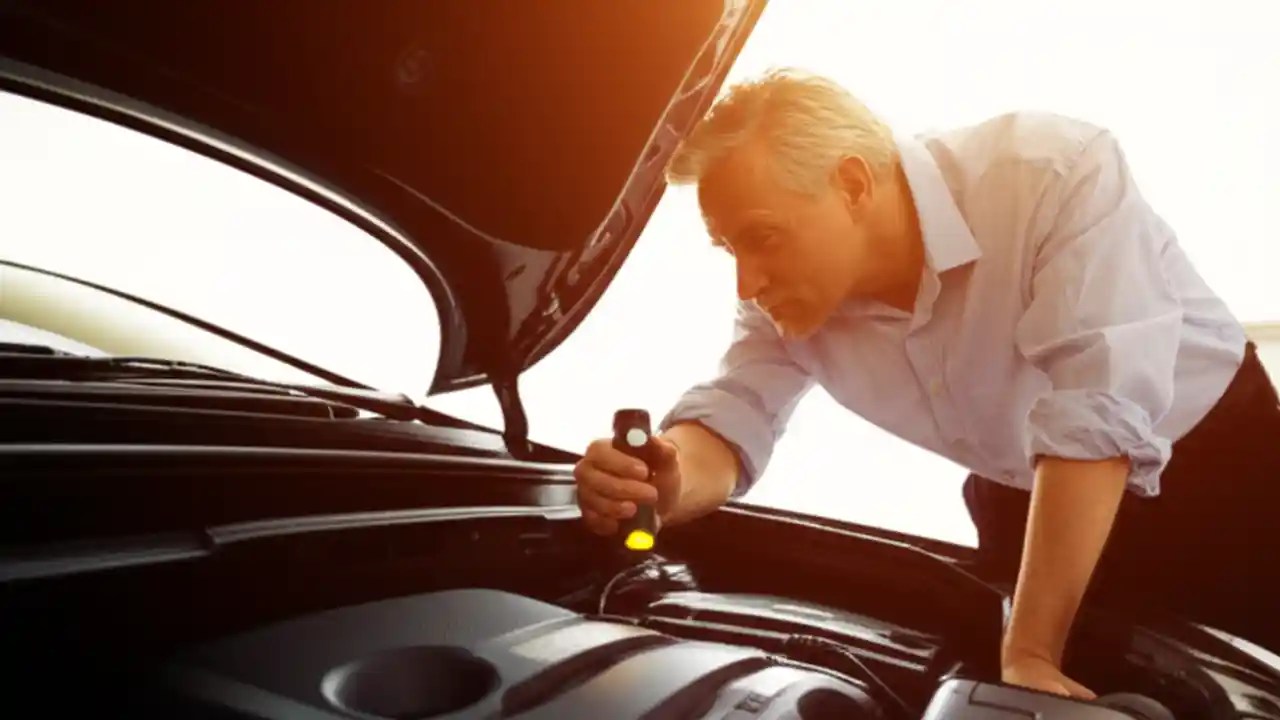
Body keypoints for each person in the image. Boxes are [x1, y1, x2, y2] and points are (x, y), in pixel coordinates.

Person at [572, 68, 1280, 696]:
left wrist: (1030, 644)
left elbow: (1097, 407)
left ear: (852, 184)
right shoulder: (786, 301)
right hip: (1021, 497)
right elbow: (736, 414)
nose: (746, 281)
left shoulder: (1051, 172)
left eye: (761, 237)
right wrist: (665, 487)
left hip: (1218, 476)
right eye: (727, 248)